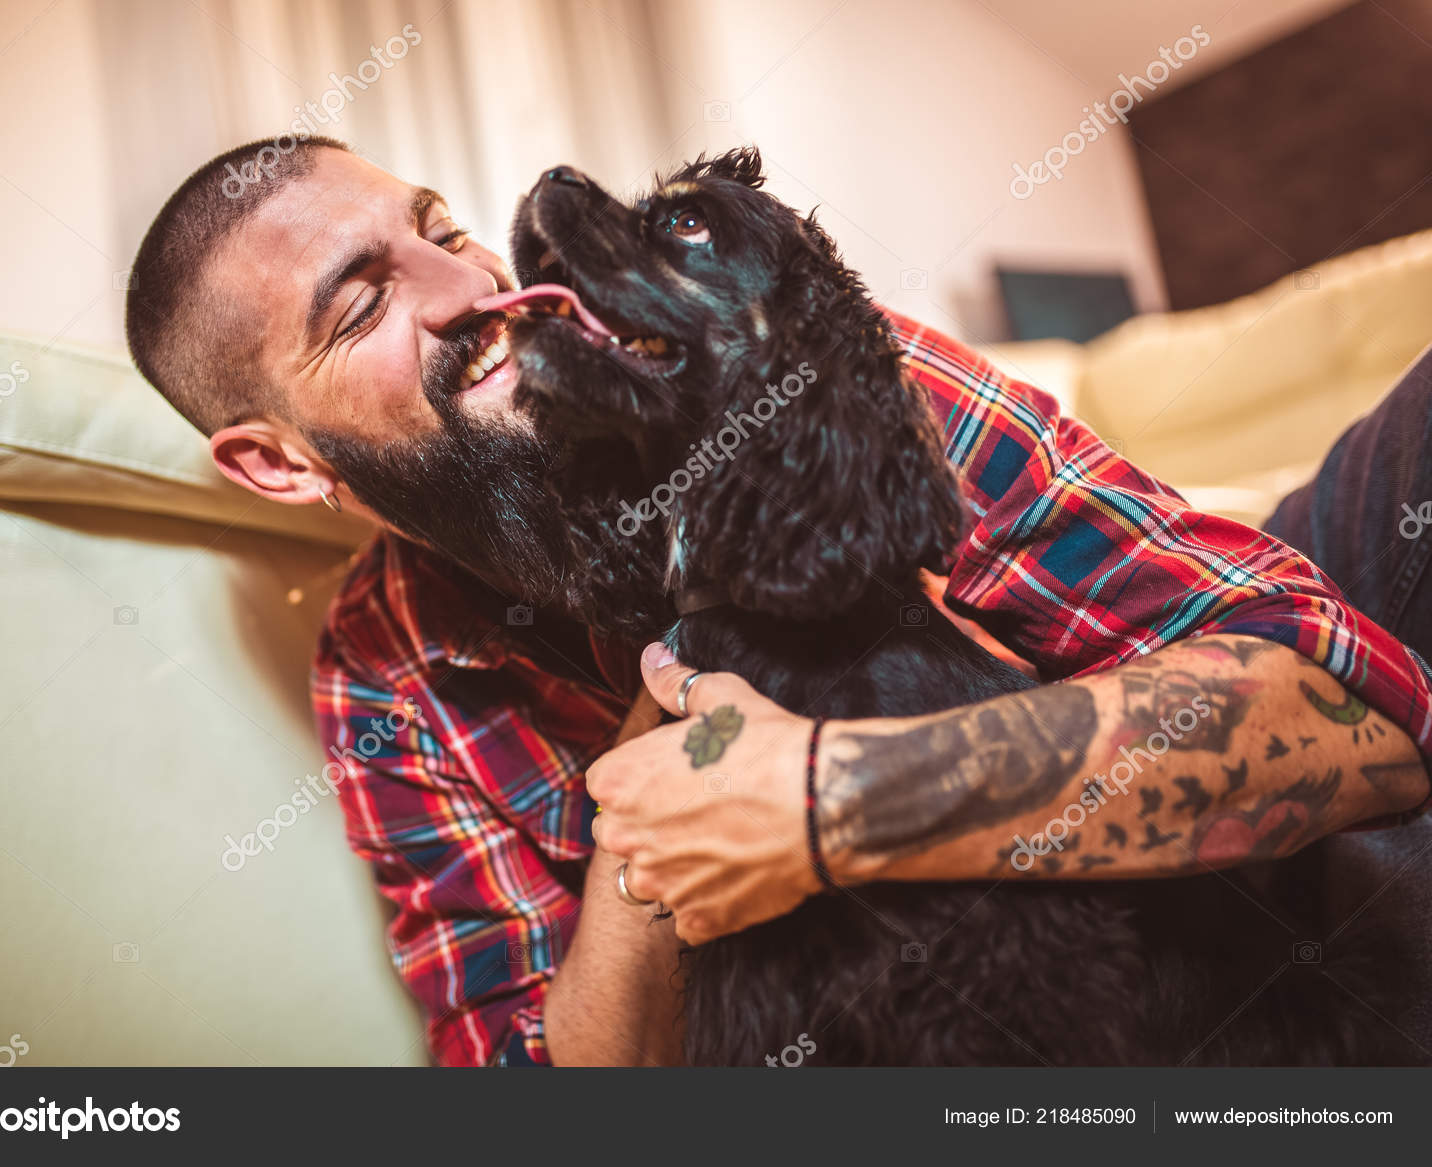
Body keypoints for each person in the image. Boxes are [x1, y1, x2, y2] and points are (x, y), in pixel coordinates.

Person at [125, 136, 1432, 1066]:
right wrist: (663, 804)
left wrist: (831, 802)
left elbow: (1361, 717)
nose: (472, 291)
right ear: (279, 464)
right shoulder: (387, 677)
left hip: (1217, 727)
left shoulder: (785, 361)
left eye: (443, 230)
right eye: (364, 303)